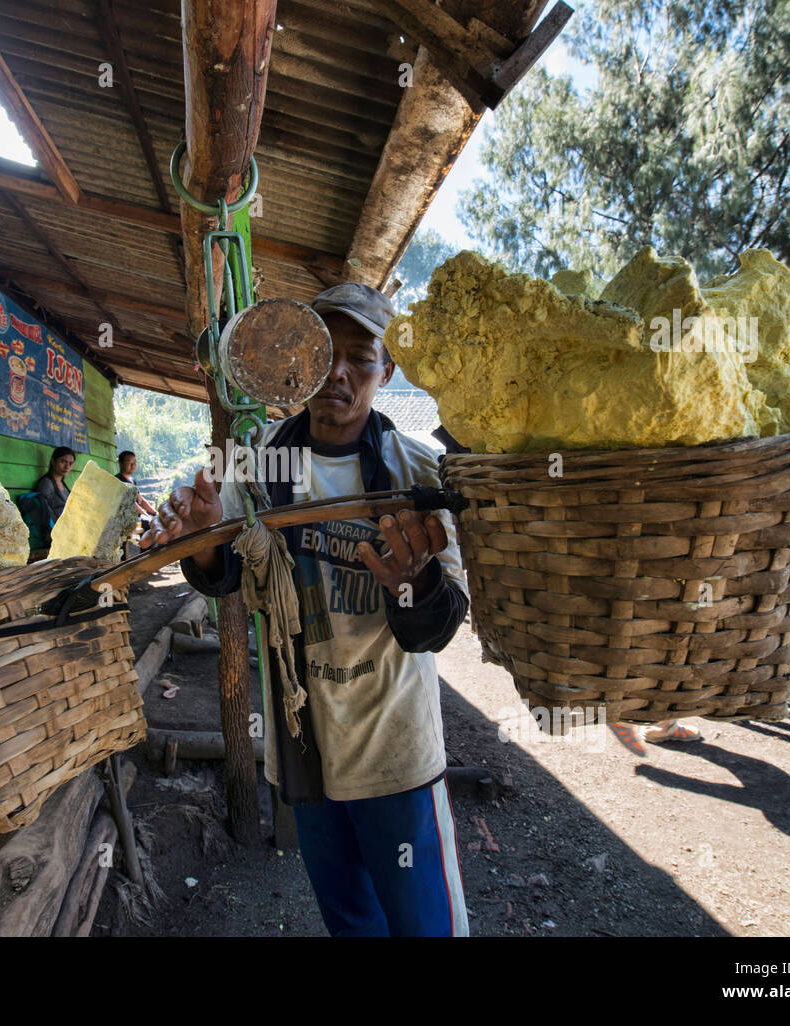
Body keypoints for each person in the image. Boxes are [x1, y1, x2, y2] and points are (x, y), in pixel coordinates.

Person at [141, 283, 471, 937]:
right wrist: (205, 544)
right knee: (349, 919)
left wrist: (413, 584)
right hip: (303, 750)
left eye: (362, 356)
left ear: (387, 370)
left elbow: (438, 625)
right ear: (300, 358)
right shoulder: (261, 466)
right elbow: (226, 572)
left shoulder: (419, 474)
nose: (340, 373)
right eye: (325, 353)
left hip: (393, 751)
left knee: (423, 925)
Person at [116, 449, 157, 558]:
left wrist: (154, 512)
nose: (133, 465)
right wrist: (146, 515)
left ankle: (146, 556)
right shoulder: (118, 480)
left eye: (135, 463)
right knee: (148, 523)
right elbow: (132, 503)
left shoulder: (132, 480)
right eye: (130, 463)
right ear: (120, 463)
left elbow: (141, 500)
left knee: (154, 521)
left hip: (136, 516)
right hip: (123, 517)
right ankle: (143, 557)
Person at [36, 446, 76, 532]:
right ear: (53, 461)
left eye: (70, 463)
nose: (67, 466)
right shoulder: (47, 483)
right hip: (55, 532)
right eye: (63, 461)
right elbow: (44, 512)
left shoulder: (63, 485)